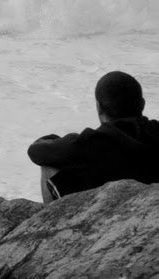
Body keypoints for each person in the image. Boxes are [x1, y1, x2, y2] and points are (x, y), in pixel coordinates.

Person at [27, 70, 159, 200]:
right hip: (148, 206)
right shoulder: (155, 130)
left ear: (98, 107)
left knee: (49, 165)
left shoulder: (89, 142)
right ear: (142, 104)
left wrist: (60, 140)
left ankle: (52, 218)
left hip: (105, 210)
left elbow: (35, 152)